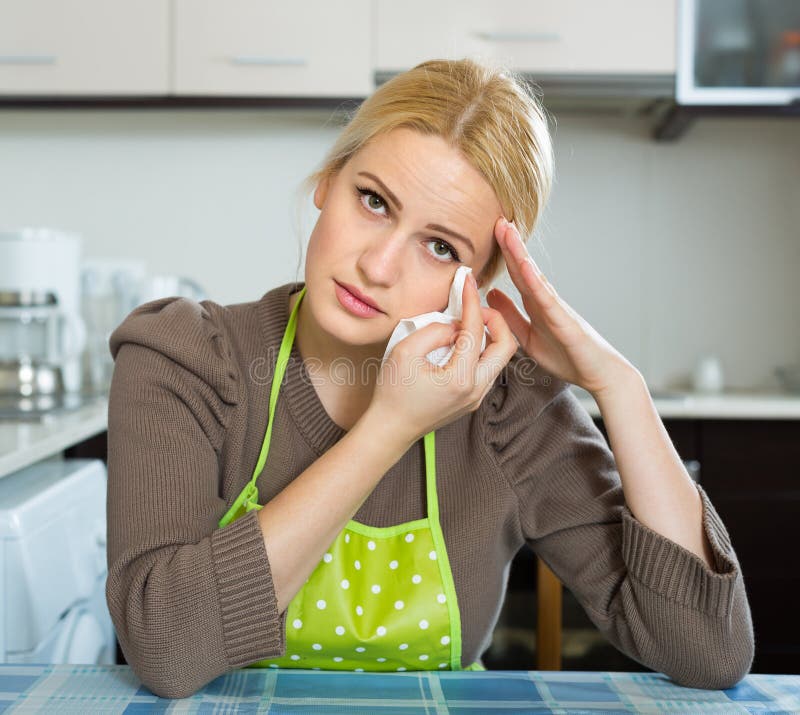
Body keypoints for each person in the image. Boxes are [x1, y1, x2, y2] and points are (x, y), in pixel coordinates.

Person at [106, 57, 754, 699]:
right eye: (374, 201)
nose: (378, 265)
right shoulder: (185, 357)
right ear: (328, 180)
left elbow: (708, 650)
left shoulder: (507, 408)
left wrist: (621, 387)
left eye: (440, 246)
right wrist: (389, 427)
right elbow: (165, 646)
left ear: (479, 281)